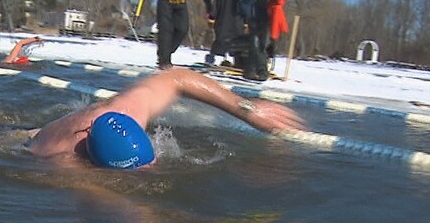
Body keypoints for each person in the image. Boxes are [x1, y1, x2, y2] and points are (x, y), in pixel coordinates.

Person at [27, 67, 304, 168]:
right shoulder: (67, 165)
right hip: (27, 143)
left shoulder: (126, 109)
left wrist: (247, 109)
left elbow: (176, 78)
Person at [206, 0, 243, 66]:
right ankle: (235, 62)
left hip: (225, 24)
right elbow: (215, 7)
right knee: (230, 42)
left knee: (226, 41)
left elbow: (215, 7)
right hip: (233, 24)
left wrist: (212, 17)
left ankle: (216, 59)